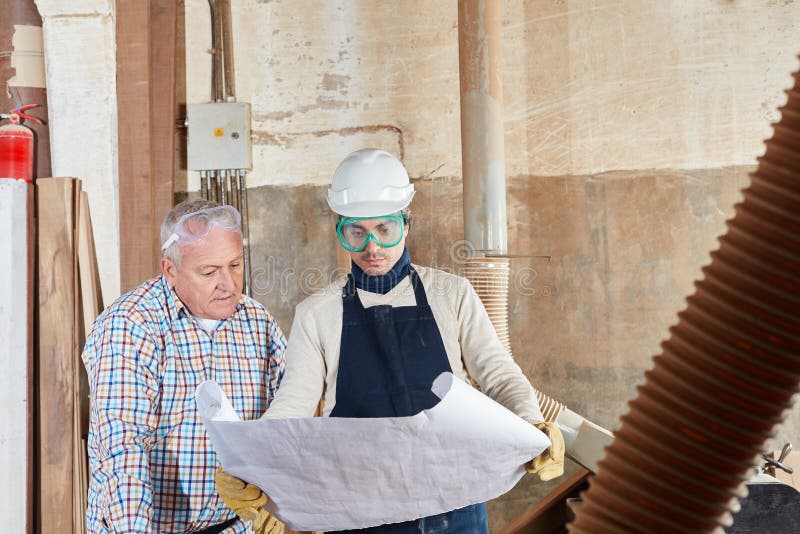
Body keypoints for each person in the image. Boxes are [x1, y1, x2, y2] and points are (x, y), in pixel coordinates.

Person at [218, 149, 565, 533]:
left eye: (385, 229)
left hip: (455, 505)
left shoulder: (453, 295)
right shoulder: (317, 313)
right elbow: (292, 407)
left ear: (406, 224)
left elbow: (499, 375)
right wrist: (254, 466)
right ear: (341, 231)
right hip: (358, 509)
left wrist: (532, 422)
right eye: (357, 233)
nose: (372, 247)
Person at [82, 199, 287, 533]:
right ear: (170, 271)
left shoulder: (257, 321)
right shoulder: (131, 325)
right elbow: (122, 447)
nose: (229, 283)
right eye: (209, 272)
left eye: (235, 265)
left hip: (235, 526)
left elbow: (287, 421)